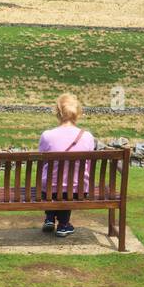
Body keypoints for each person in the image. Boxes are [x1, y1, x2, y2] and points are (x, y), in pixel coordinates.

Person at [38, 92, 94, 239]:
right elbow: (88, 165)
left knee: (51, 183)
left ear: (57, 112)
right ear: (78, 113)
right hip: (77, 190)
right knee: (70, 185)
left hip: (49, 191)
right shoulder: (87, 136)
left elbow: (42, 163)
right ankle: (63, 225)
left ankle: (50, 218)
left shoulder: (47, 135)